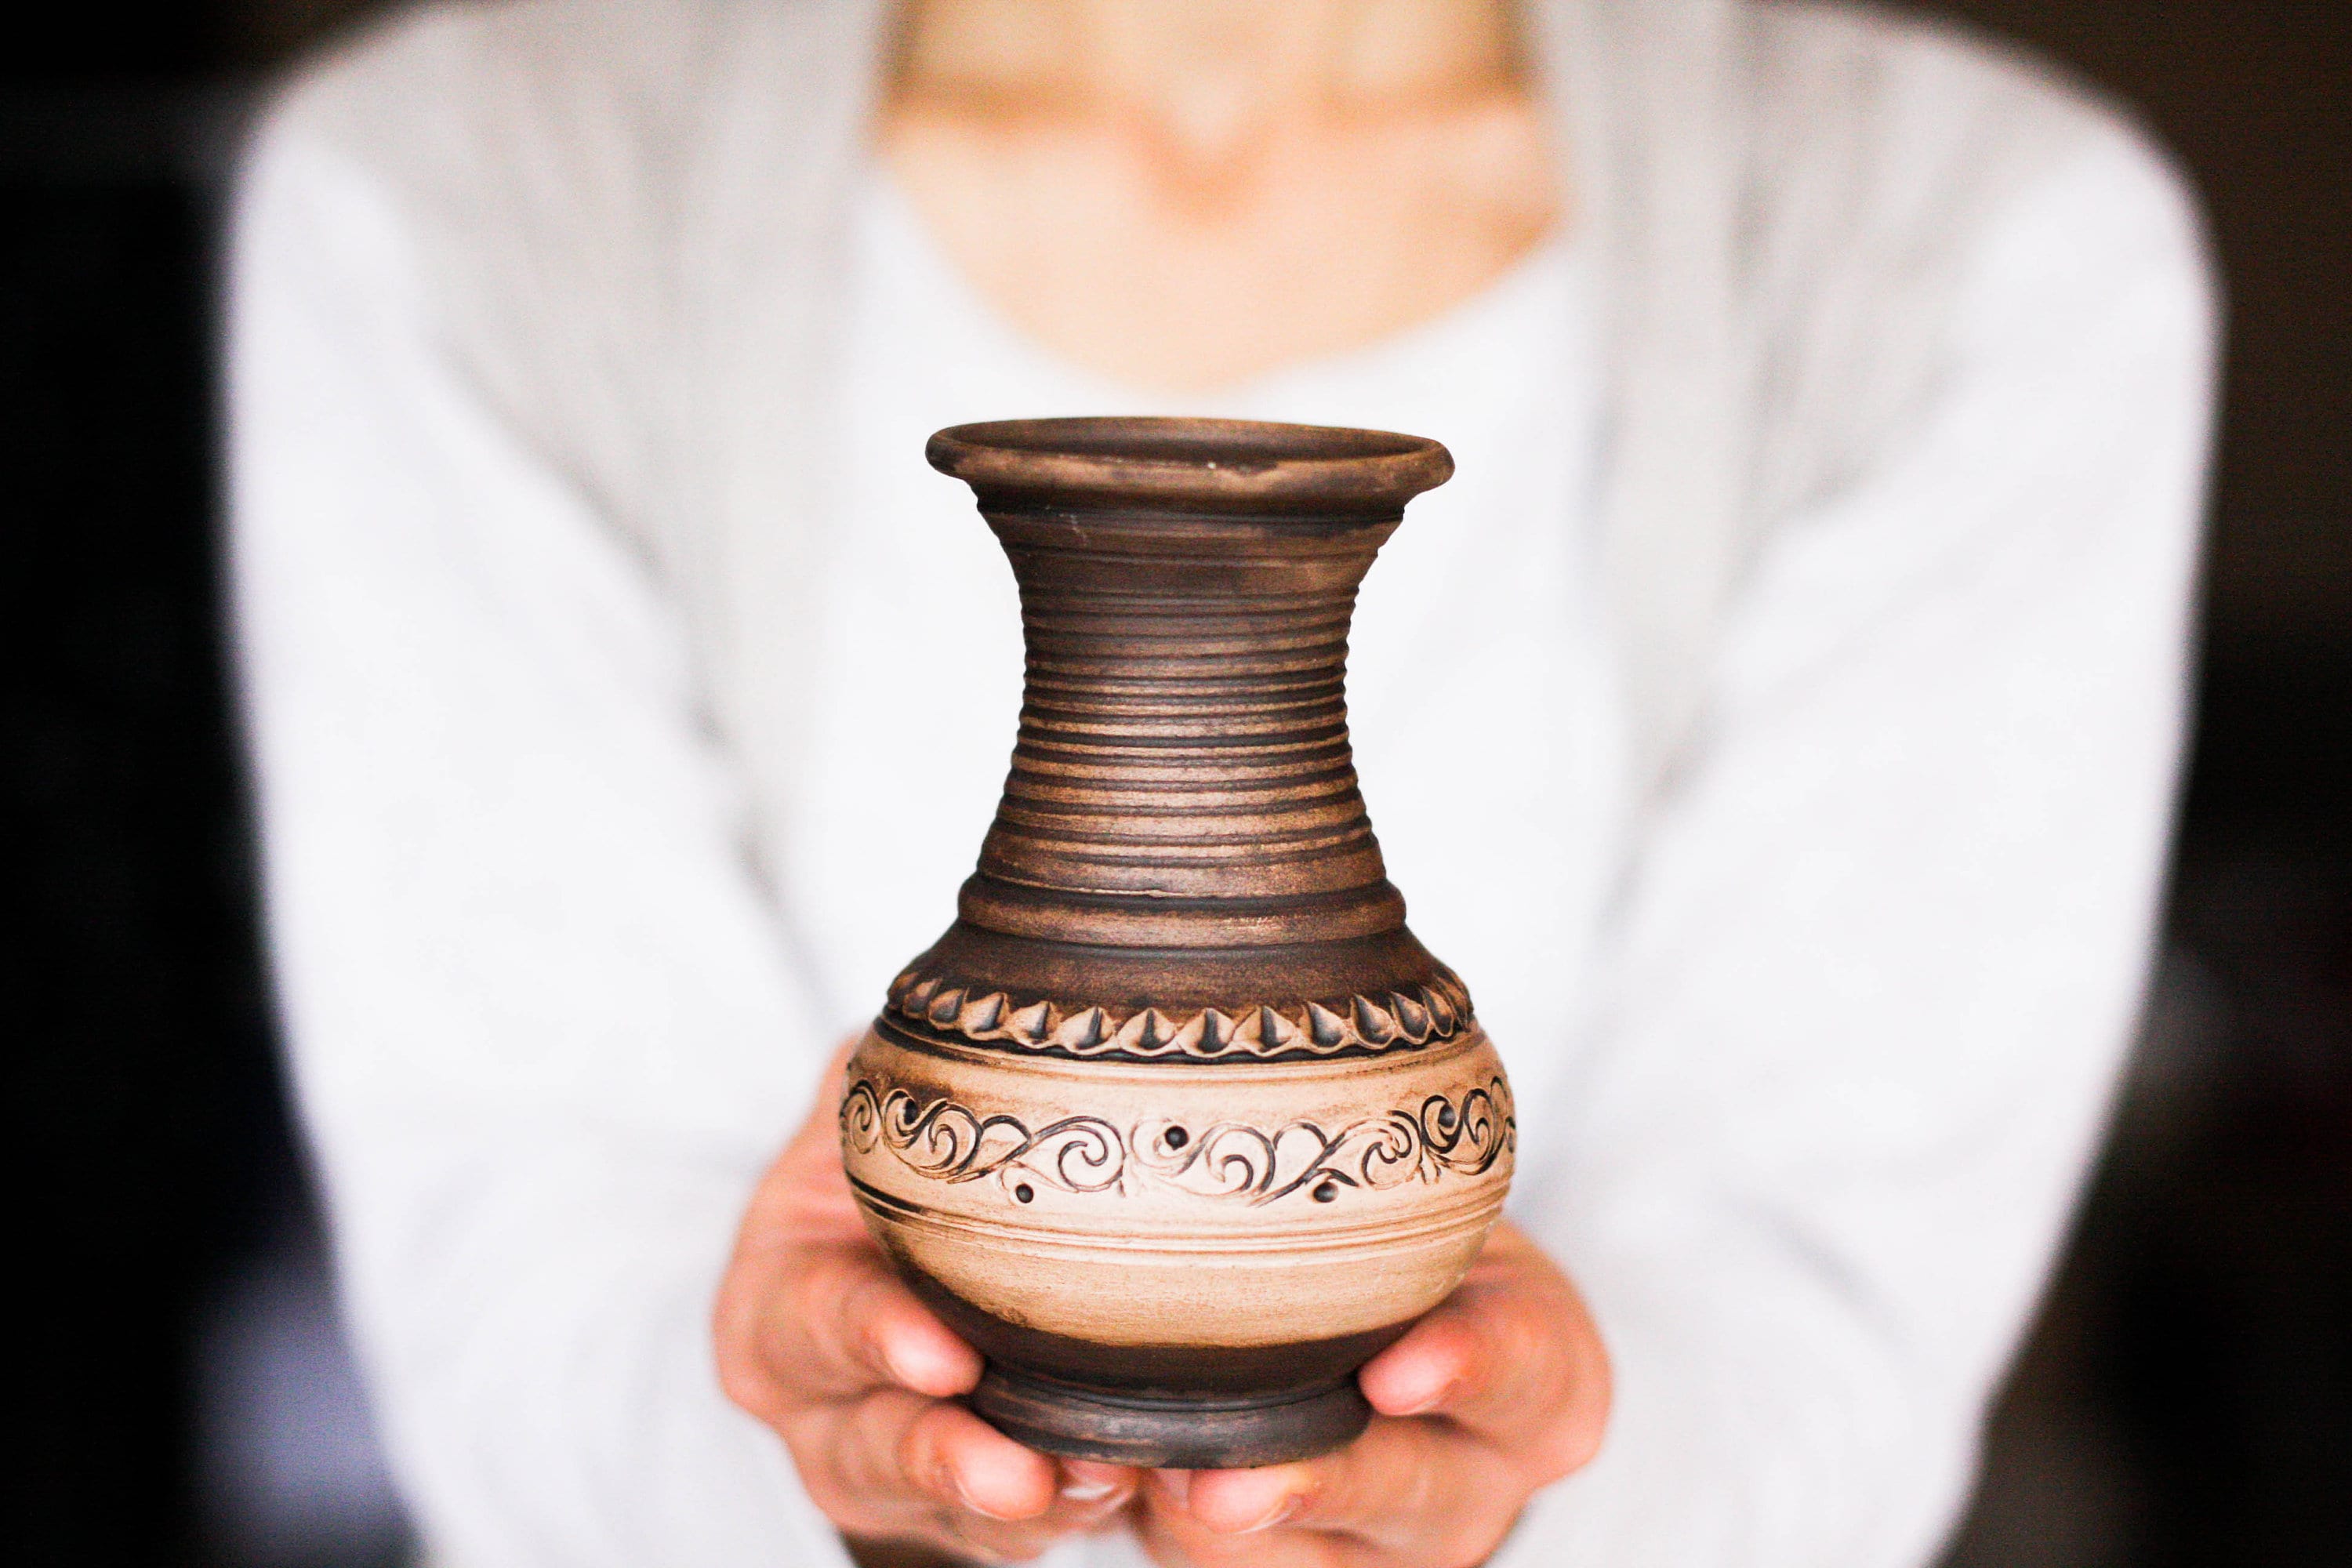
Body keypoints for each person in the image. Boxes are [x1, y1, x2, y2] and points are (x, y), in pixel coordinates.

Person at [228, 0, 2216, 1563]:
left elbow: (1823, 1330)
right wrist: (800, 1446)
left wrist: (1529, 1485)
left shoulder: (1982, 240)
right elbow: (505, 1271)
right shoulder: (446, 185)